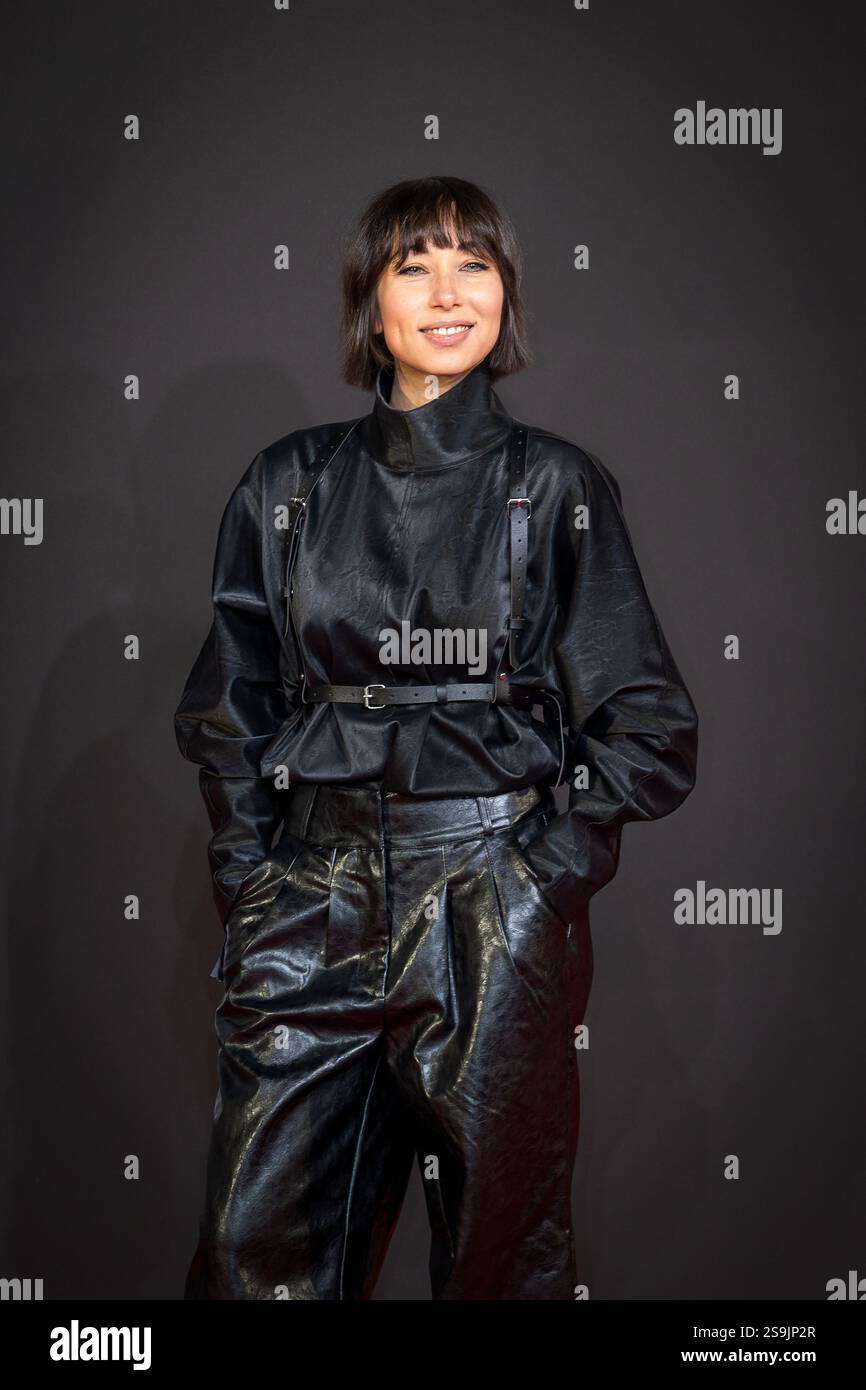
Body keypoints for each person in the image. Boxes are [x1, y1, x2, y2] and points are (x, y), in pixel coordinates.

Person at [174, 174, 699, 1301]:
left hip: (488, 902)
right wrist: (256, 882)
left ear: (509, 295)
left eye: (476, 264)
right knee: (254, 1259)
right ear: (369, 303)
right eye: (414, 264)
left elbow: (648, 725)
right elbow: (231, 710)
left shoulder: (551, 484)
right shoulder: (287, 485)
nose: (448, 292)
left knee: (499, 1260)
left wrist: (531, 882)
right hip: (308, 902)